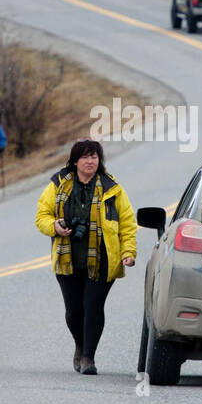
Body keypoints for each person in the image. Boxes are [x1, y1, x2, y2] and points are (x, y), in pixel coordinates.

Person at [35, 138, 136, 375]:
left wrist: (128, 251)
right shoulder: (58, 184)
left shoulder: (112, 188)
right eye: (85, 157)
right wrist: (55, 226)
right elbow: (42, 215)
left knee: (93, 306)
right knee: (74, 311)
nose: (90, 161)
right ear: (75, 161)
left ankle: (89, 357)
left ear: (99, 161)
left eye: (94, 157)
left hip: (102, 258)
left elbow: (127, 224)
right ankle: (79, 345)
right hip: (67, 257)